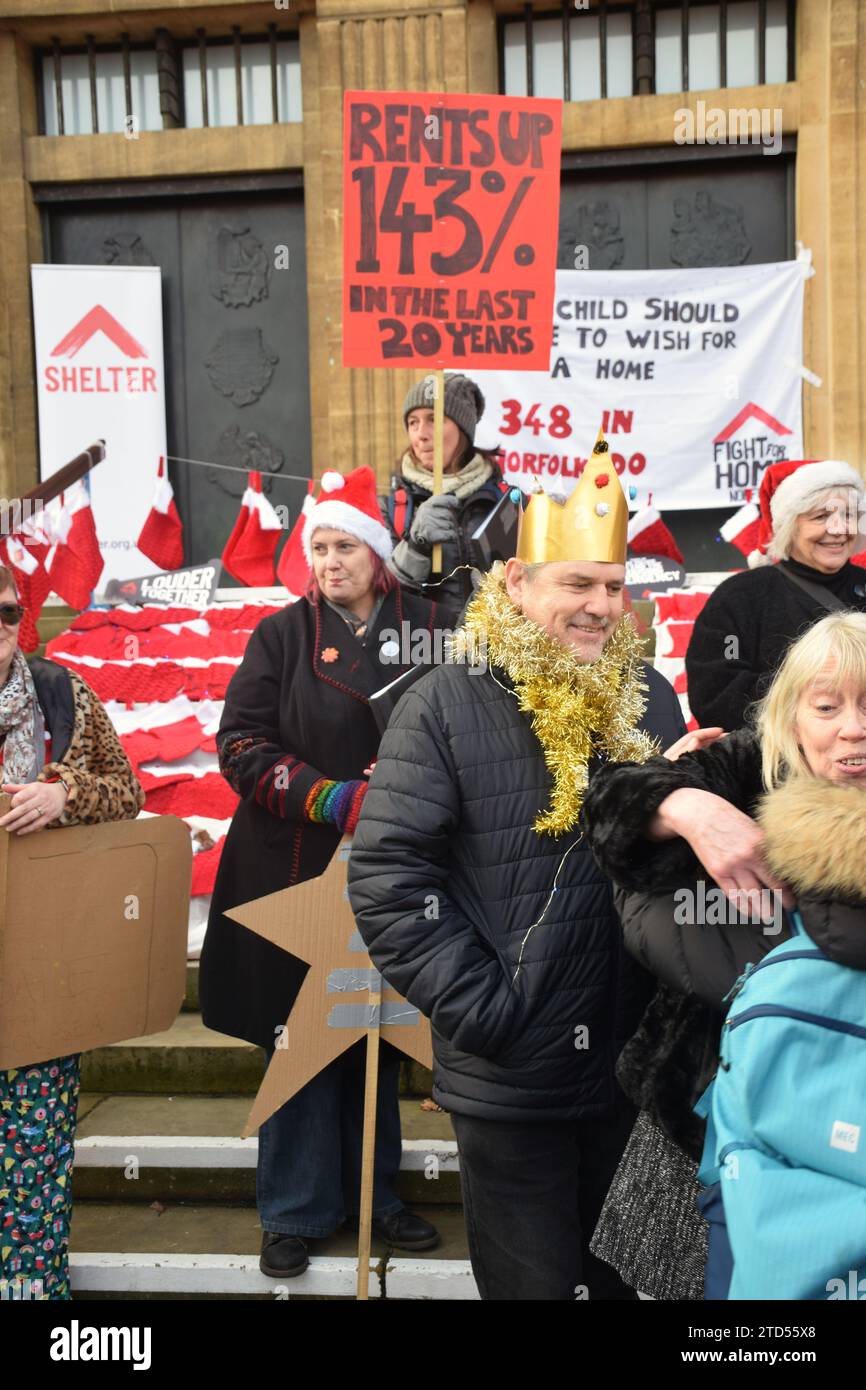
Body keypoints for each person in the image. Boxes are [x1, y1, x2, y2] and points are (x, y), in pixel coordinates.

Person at [348, 435, 687, 1301]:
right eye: (577, 584)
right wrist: (490, 1013)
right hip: (511, 1081)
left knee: (628, 1285)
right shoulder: (445, 702)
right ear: (515, 584)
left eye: (613, 587)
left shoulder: (648, 694)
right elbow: (390, 879)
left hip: (630, 1071)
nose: (601, 606)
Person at [199, 466, 442, 1281]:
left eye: (346, 545)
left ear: (379, 554)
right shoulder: (280, 636)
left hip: (402, 868)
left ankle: (378, 1200)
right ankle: (294, 1211)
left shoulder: (436, 625)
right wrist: (328, 797)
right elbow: (239, 745)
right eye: (319, 546)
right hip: (294, 864)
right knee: (300, 1031)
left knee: (375, 1027)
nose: (330, 561)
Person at [582, 611, 866, 1300]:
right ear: (791, 715)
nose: (853, 727)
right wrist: (684, 805)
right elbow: (609, 806)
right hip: (708, 1115)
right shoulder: (747, 768)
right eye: (827, 706)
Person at [0, 566, 144, 1300]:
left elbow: (129, 791)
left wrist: (65, 793)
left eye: (2, 613)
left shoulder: (61, 692)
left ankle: (29, 1292)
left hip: (42, 962)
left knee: (33, 1148)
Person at [686, 458, 866, 730]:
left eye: (849, 516)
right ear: (789, 525)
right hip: (772, 764)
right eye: (821, 516)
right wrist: (811, 710)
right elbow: (719, 686)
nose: (839, 529)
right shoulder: (739, 600)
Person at [383, 372, 511, 618]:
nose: (421, 434)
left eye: (434, 419)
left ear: (463, 429)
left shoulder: (505, 501)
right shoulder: (391, 508)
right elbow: (378, 600)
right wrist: (415, 546)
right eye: (413, 422)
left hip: (489, 651)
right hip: (418, 649)